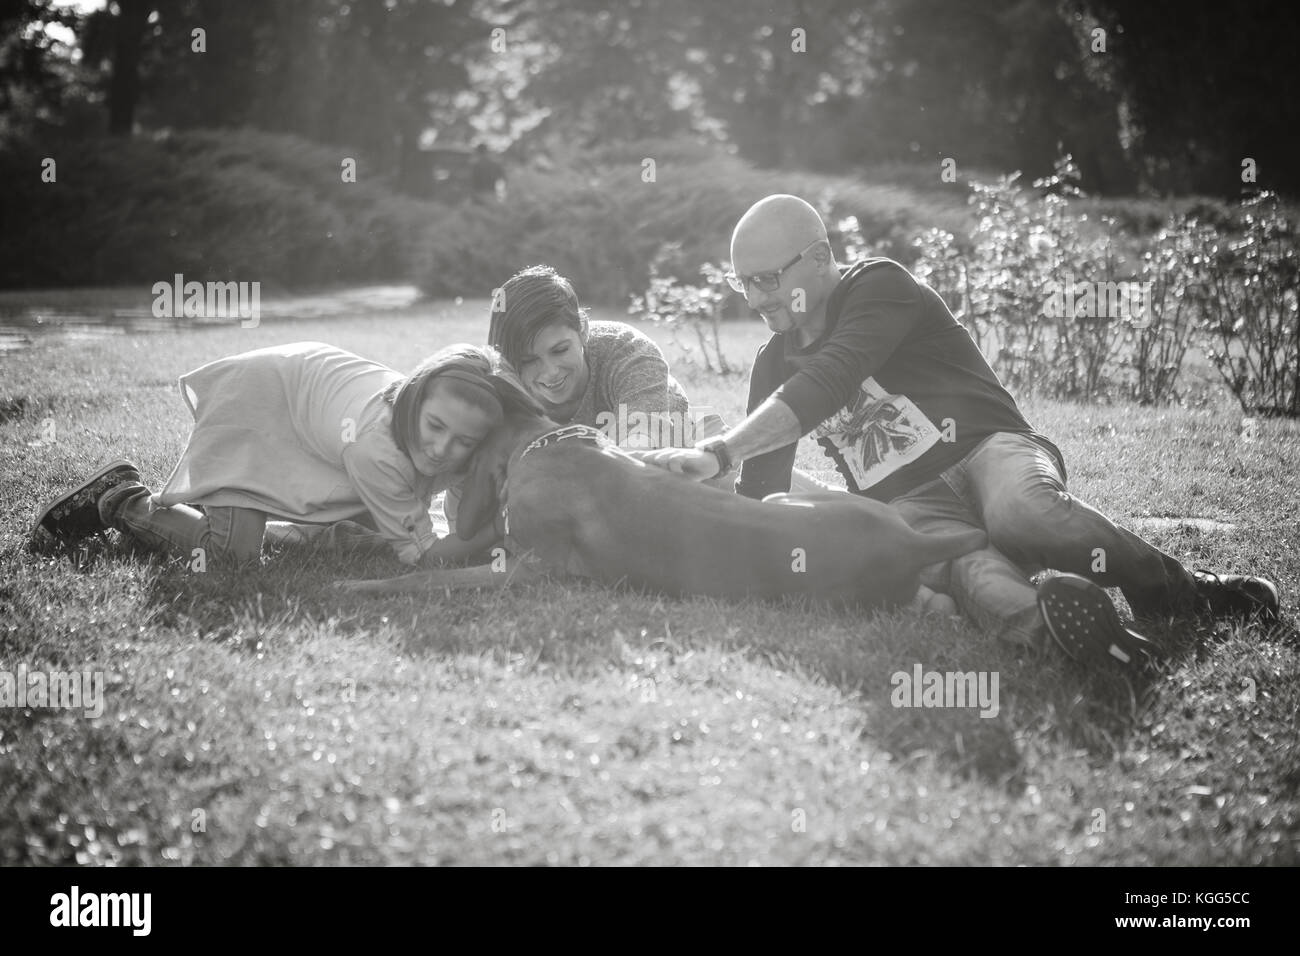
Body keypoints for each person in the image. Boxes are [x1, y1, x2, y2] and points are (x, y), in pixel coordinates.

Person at [639, 194, 1280, 671]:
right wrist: (711, 498)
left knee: (1022, 513)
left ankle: (1183, 593)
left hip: (987, 450)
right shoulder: (771, 363)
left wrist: (720, 447)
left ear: (821, 259)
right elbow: (767, 501)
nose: (754, 298)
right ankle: (1089, 645)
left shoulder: (879, 287)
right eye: (741, 282)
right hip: (914, 504)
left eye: (767, 279)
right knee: (975, 574)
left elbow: (831, 380)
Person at [29, 341, 539, 568]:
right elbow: (426, 557)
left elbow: (455, 501)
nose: (443, 449)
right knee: (231, 554)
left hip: (308, 406)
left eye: (464, 443)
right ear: (415, 398)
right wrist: (503, 533)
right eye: (436, 427)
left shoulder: (441, 421)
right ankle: (124, 499)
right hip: (259, 407)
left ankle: (222, 512)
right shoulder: (378, 450)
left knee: (363, 532)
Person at [487, 264, 835, 492]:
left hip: (687, 441)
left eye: (560, 351)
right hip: (613, 475)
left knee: (769, 496)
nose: (548, 372)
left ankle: (870, 514)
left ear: (582, 329)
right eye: (528, 361)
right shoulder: (502, 384)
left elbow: (632, 462)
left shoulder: (626, 351)